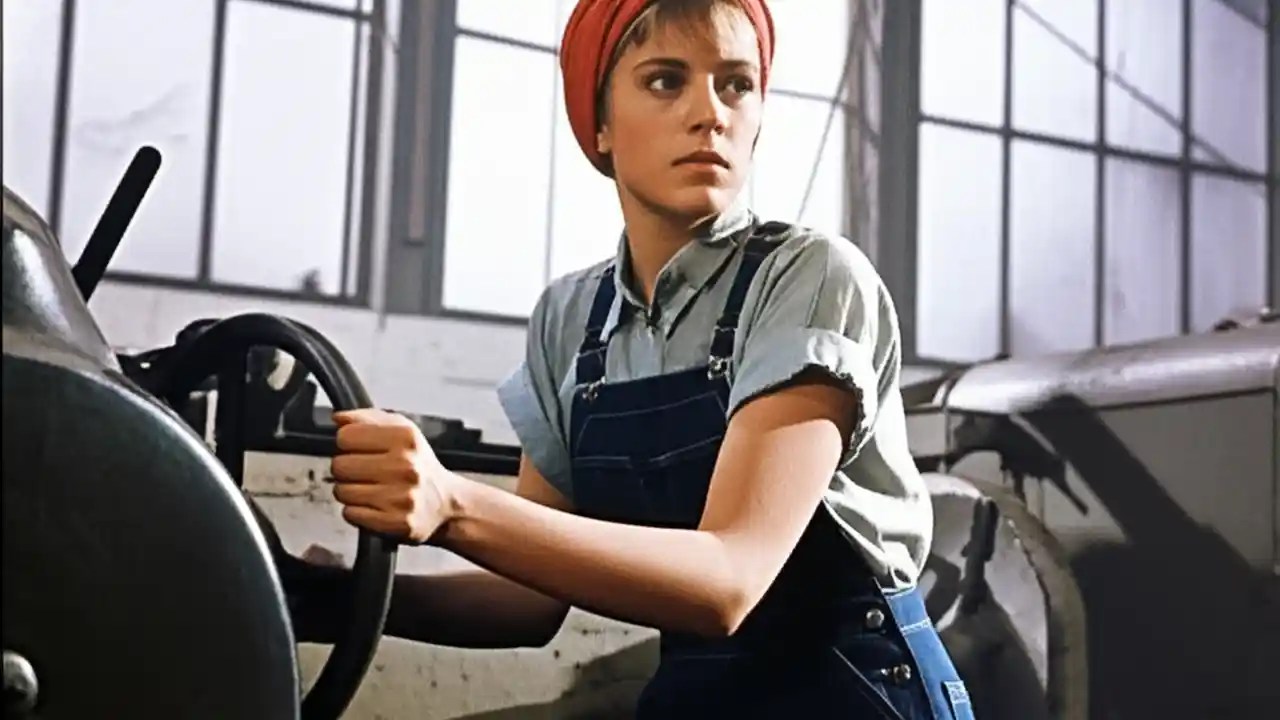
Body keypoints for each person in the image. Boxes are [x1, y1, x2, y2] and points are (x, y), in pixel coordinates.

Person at [290, 0, 974, 717]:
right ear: (600, 124)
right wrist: (335, 598)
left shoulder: (809, 278)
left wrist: (452, 502)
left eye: (736, 84)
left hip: (857, 696)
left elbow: (728, 581)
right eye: (664, 81)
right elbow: (527, 604)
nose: (710, 113)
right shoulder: (571, 320)